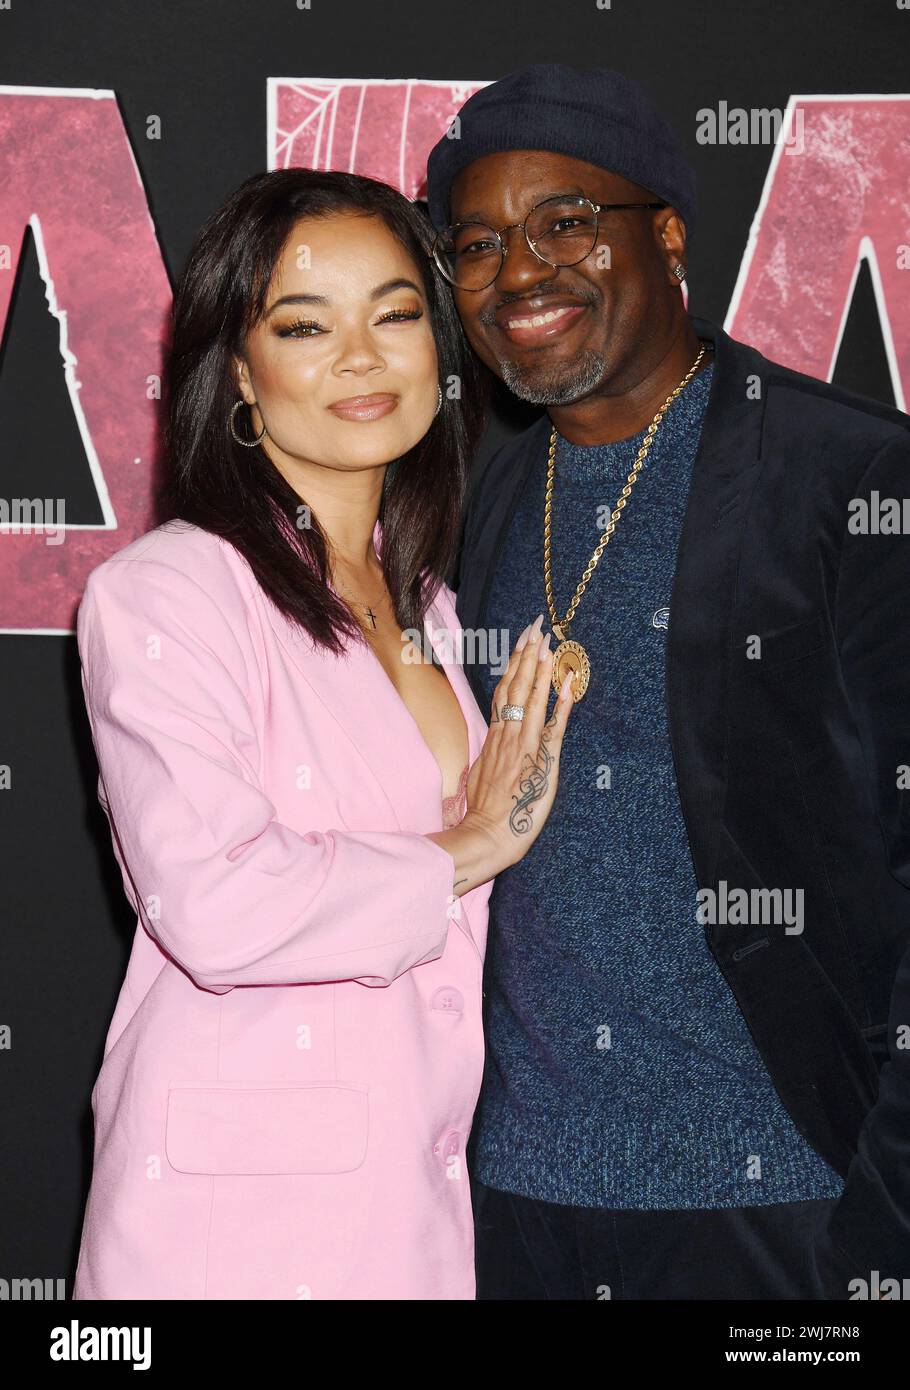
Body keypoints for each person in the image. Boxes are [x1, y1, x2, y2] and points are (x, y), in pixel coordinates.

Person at [425, 63, 910, 1300]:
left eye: (566, 222)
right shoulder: (473, 505)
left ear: (671, 236)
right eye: (477, 243)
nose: (519, 271)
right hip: (515, 1203)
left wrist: (877, 1230)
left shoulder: (845, 477)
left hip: (777, 1205)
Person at [72, 168, 575, 1301]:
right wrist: (467, 847)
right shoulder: (172, 593)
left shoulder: (431, 607)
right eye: (305, 324)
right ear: (240, 374)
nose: (362, 355)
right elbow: (215, 903)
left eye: (396, 313)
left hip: (416, 1200)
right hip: (230, 1228)